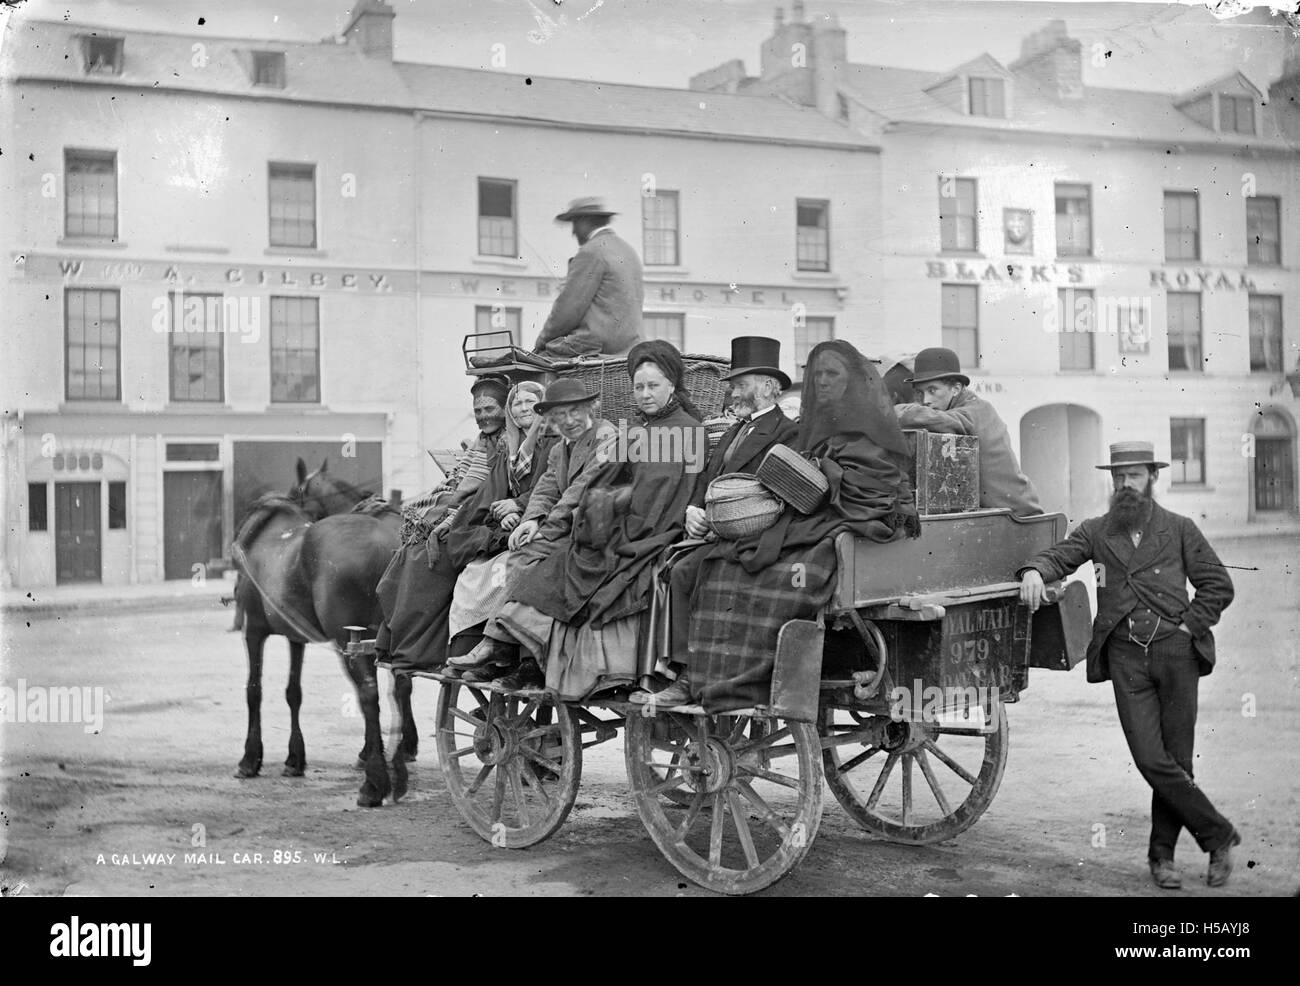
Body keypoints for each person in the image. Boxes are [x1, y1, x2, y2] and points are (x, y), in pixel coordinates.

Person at [643, 339, 920, 711]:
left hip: (847, 521)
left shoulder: (859, 423)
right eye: (817, 374)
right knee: (717, 564)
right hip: (804, 517)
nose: (822, 381)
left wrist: (824, 472)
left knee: (753, 570)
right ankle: (697, 671)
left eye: (832, 374)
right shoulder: (811, 424)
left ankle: (729, 677)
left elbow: (873, 483)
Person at [1018, 441, 1238, 890]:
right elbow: (1060, 556)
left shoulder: (1179, 529)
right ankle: (1217, 834)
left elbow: (1218, 584)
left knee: (1176, 761)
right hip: (1125, 657)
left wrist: (1188, 626)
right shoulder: (1098, 531)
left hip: (1177, 656)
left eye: (1134, 476)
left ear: (1152, 479)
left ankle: (1163, 858)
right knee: (1151, 758)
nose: (1125, 485)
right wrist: (1036, 571)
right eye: (1118, 477)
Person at [453, 341, 704, 699]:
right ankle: (507, 647)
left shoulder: (684, 431)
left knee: (565, 562)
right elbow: (600, 483)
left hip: (651, 532)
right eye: (639, 387)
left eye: (654, 386)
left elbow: (664, 495)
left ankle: (519, 652)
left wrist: (608, 522)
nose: (645, 394)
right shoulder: (636, 429)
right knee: (554, 559)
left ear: (672, 385)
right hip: (620, 524)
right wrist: (579, 516)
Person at [633, 336, 798, 699]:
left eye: (741, 385)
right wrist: (694, 510)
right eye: (732, 386)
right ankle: (674, 667)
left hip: (754, 536)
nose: (733, 394)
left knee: (690, 572)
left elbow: (780, 496)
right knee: (672, 567)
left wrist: (725, 519)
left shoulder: (787, 433)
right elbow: (707, 479)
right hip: (716, 531)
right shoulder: (734, 430)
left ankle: (690, 674)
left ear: (769, 387)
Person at [374, 381, 551, 671]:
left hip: (530, 521)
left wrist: (517, 507)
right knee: (413, 555)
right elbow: (486, 491)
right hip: (497, 519)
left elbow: (549, 486)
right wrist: (462, 519)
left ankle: (429, 650)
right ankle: (402, 645)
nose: (521, 409)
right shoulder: (507, 444)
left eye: (528, 402)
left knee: (440, 560)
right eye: (515, 404)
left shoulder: (548, 440)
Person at [892, 347, 1041, 516]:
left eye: (932, 390)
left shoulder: (978, 410)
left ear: (956, 388)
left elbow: (933, 419)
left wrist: (891, 411)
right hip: (994, 516)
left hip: (1020, 516)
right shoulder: (959, 409)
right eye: (920, 392)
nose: (926, 400)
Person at [532, 197, 643, 358]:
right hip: (630, 346)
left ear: (584, 221)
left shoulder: (590, 252)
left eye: (574, 224)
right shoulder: (628, 250)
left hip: (595, 346)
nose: (573, 232)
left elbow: (567, 310)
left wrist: (541, 341)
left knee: (533, 361)